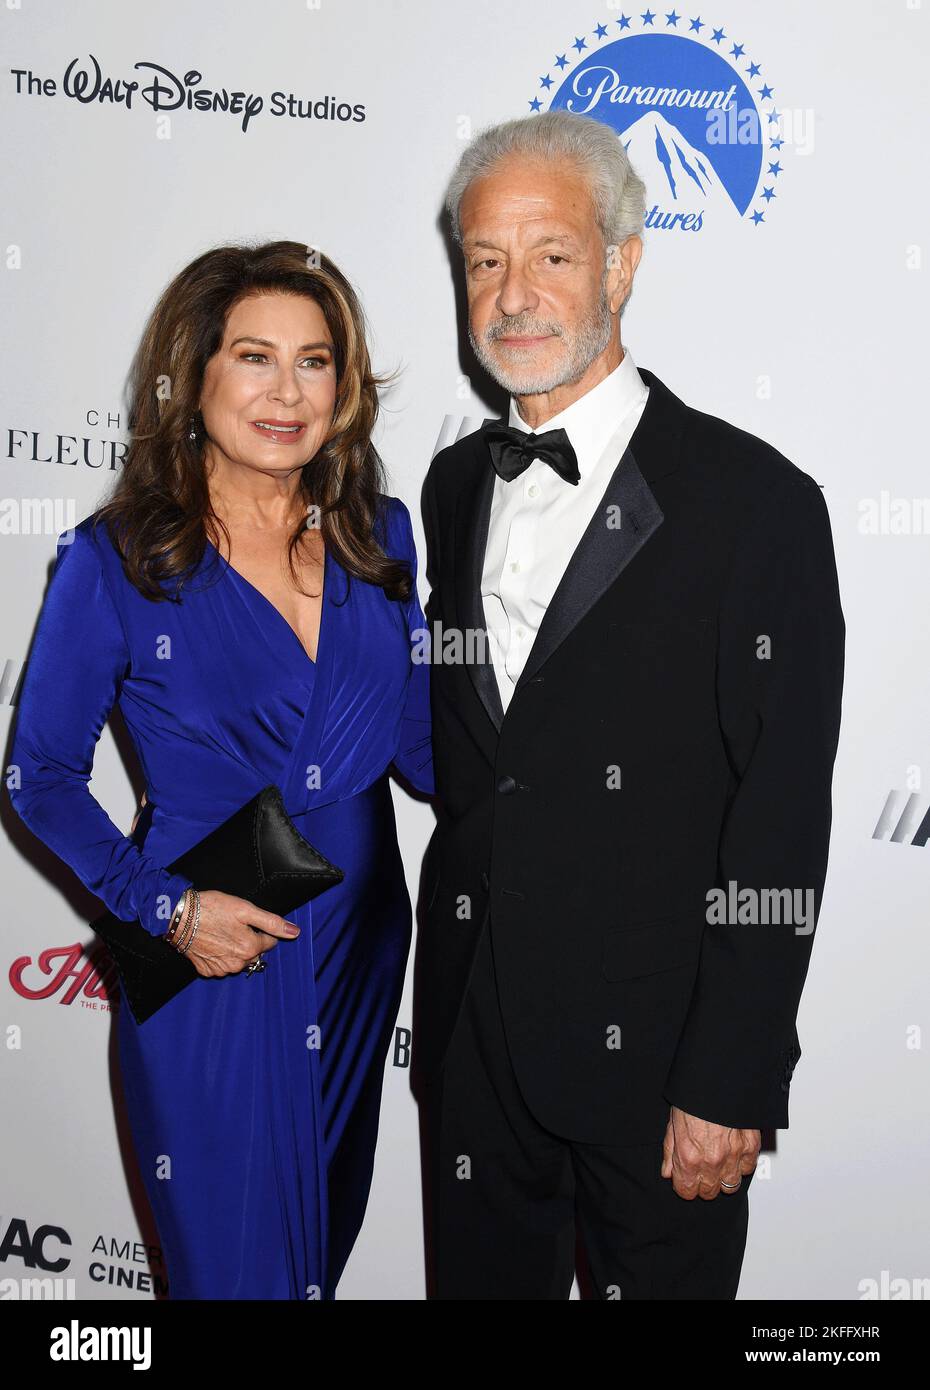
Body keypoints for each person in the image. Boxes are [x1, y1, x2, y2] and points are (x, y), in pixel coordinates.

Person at [415, 111, 845, 1299]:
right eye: (483, 261)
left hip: (663, 1070)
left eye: (550, 253)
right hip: (472, 1043)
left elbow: (781, 813)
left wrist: (731, 1077)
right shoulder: (453, 486)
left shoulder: (755, 502)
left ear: (622, 262)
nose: (512, 295)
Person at [7, 241, 433, 1300]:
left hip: (357, 952)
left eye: (316, 361)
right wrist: (166, 909)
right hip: (211, 962)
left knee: (310, 1268)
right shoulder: (116, 562)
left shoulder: (380, 538)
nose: (288, 392)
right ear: (195, 377)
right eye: (254, 357)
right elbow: (40, 775)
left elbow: (429, 746)